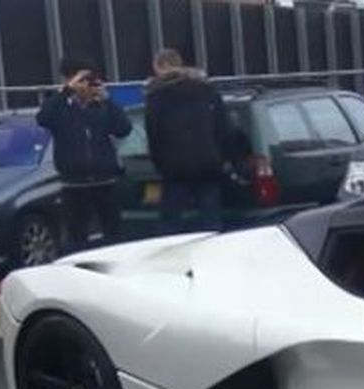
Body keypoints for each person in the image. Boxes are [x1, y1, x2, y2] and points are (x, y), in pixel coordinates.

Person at [36, 58, 132, 253]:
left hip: (104, 179)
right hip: (74, 183)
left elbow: (123, 129)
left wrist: (108, 100)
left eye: (89, 80)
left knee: (114, 233)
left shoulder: (101, 106)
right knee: (77, 236)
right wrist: (67, 91)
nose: (86, 86)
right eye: (81, 80)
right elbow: (43, 118)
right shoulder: (61, 107)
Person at [145, 48, 231, 233]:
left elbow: (154, 134)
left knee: (171, 222)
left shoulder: (157, 95)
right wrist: (220, 157)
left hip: (174, 168)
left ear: (160, 66)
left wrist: (159, 164)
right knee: (211, 219)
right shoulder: (207, 90)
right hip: (208, 163)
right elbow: (222, 127)